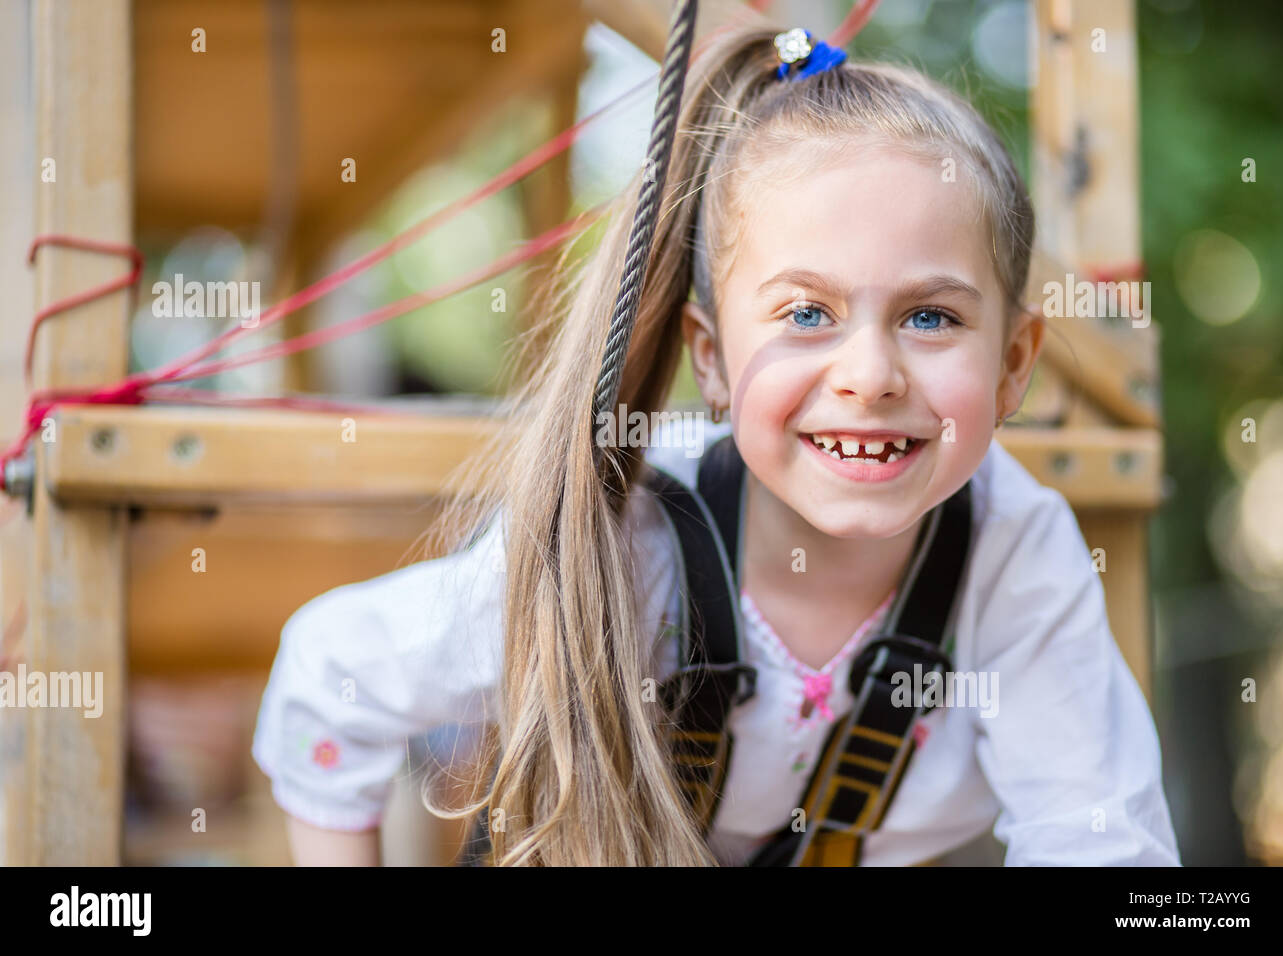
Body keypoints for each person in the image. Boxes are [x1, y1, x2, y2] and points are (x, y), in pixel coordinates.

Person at [251, 25, 1181, 867]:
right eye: (807, 313)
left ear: (1015, 362)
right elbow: (330, 674)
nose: (871, 374)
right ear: (714, 360)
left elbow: (1099, 838)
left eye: (930, 316)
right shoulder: (628, 537)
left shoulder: (1015, 555)